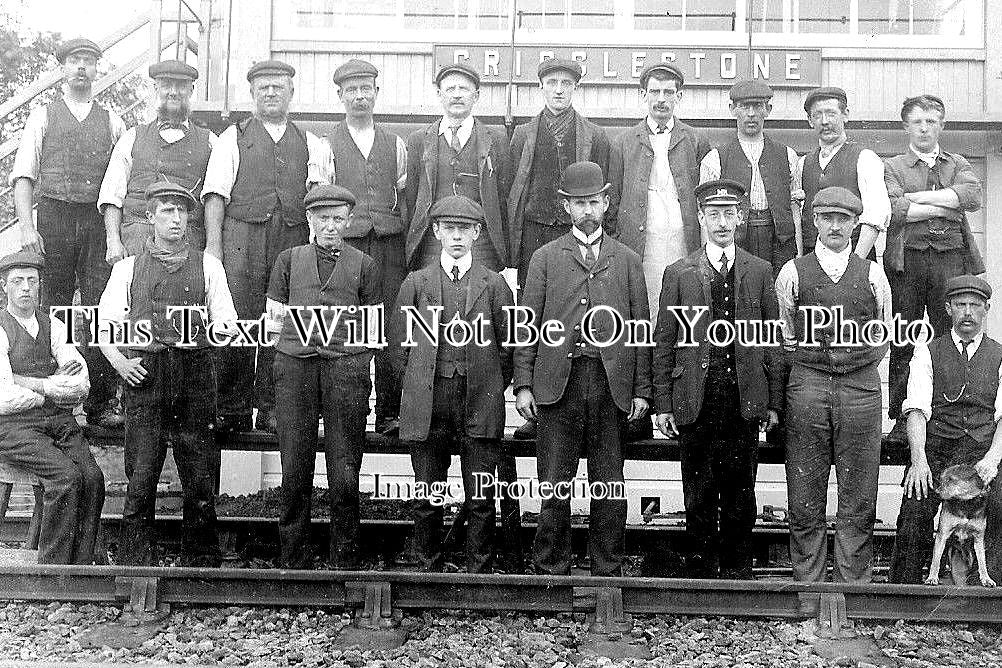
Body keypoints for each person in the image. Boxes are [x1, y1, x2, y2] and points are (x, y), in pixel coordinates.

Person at [513, 161, 651, 577]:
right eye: (579, 204)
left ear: (607, 203)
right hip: (559, 384)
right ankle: (550, 563)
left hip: (611, 384)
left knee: (609, 480)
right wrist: (523, 385)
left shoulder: (626, 260)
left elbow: (640, 327)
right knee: (555, 479)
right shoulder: (545, 258)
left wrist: (642, 389)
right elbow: (527, 324)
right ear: (567, 207)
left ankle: (607, 564)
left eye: (594, 202)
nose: (588, 211)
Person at [98, 181, 237, 567]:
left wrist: (203, 336)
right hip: (147, 376)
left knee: (199, 476)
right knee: (141, 476)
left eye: (181, 212)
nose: (176, 220)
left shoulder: (209, 266)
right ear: (150, 218)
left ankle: (200, 565)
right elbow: (104, 325)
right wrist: (122, 363)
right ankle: (135, 563)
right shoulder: (127, 269)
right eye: (167, 212)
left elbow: (227, 322)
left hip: (193, 376)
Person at [653, 179, 782, 579]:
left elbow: (772, 340)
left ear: (741, 218)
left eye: (729, 214)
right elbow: (664, 341)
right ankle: (705, 571)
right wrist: (662, 404)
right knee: (700, 489)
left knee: (741, 489)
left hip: (744, 396)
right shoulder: (679, 273)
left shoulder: (759, 271)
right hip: (695, 396)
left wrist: (774, 402)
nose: (722, 223)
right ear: (701, 219)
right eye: (714, 215)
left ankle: (738, 572)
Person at [202, 59, 332, 433]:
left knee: (280, 322)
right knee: (237, 321)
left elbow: (317, 197)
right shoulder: (233, 137)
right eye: (263, 87)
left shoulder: (310, 142)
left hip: (289, 239)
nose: (271, 93)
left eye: (278, 86)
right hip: (242, 238)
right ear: (253, 94)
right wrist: (214, 247)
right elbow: (215, 195)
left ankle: (272, 408)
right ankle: (232, 409)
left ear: (291, 92)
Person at [775, 186, 893, 585]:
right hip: (808, 385)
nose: (836, 226)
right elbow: (785, 335)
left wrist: (855, 366)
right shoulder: (793, 272)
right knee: (805, 493)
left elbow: (884, 335)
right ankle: (807, 586)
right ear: (815, 222)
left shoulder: (873, 274)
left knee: (859, 494)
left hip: (860, 388)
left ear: (855, 223)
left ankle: (851, 587)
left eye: (844, 219)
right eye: (828, 218)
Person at [392, 195, 514, 573]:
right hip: (430, 402)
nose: (457, 236)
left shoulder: (494, 286)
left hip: (479, 400)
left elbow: (508, 346)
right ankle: (427, 563)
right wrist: (417, 386)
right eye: (450, 228)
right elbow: (398, 349)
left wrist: (491, 383)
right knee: (428, 491)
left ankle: (478, 568)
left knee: (481, 494)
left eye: (465, 229)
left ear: (477, 233)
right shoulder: (416, 283)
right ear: (437, 232)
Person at [8, 37, 126, 429]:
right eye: (74, 61)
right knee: (53, 307)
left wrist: (113, 234)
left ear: (97, 70)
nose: (81, 68)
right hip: (54, 218)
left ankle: (101, 401)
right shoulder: (43, 115)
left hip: (94, 220)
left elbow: (117, 184)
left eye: (88, 62)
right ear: (63, 68)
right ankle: (53, 398)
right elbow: (24, 175)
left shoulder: (112, 121)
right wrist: (27, 225)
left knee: (98, 308)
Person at [265, 184, 380, 569]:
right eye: (322, 219)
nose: (330, 226)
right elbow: (273, 326)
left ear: (348, 221)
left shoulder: (364, 265)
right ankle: (294, 558)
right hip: (294, 369)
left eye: (337, 219)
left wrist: (353, 360)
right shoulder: (288, 260)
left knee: (344, 469)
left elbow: (373, 328)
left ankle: (344, 557)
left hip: (345, 369)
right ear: (310, 220)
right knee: (294, 465)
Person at [507, 57, 610, 441]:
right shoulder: (522, 135)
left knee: (584, 309)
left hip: (580, 230)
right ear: (542, 87)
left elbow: (601, 194)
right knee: (535, 315)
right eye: (552, 82)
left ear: (575, 88)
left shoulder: (594, 136)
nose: (559, 90)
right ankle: (535, 407)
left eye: (566, 83)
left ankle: (582, 402)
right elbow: (511, 192)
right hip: (536, 232)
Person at [883, 95, 984, 445]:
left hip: (950, 260)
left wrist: (920, 199)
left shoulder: (957, 162)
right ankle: (899, 417)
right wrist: (946, 203)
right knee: (904, 336)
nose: (924, 128)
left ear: (942, 125)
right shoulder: (893, 166)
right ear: (906, 126)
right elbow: (896, 210)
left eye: (931, 121)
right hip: (907, 262)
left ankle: (946, 414)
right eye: (917, 121)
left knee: (948, 337)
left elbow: (971, 198)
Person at [889, 275, 1002, 585]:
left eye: (974, 305)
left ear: (986, 309)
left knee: (1001, 506)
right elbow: (916, 409)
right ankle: (904, 594)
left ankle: (989, 595)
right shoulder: (928, 351)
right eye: (960, 305)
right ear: (949, 309)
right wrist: (919, 461)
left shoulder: (999, 354)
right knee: (915, 508)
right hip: (938, 452)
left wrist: (992, 458)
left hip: (982, 453)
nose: (967, 312)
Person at [0, 250, 104, 564]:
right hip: (14, 428)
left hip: (59, 422)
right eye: (17, 281)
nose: (26, 288)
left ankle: (81, 565)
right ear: (4, 287)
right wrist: (52, 385)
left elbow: (81, 383)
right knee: (66, 478)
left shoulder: (54, 326)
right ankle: (55, 568)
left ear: (40, 284)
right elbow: (4, 398)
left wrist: (29, 382)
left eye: (32, 280)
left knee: (93, 478)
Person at [328, 58, 408, 436]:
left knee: (391, 328)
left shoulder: (397, 144)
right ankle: (352, 413)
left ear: (376, 93)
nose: (360, 97)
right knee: (351, 328)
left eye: (366, 89)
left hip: (390, 247)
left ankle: (390, 412)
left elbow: (406, 196)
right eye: (352, 90)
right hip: (350, 247)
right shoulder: (326, 144)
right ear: (340, 96)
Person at [608, 62, 710, 321]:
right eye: (654, 92)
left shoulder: (696, 140)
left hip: (682, 239)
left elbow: (704, 200)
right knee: (645, 304)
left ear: (679, 96)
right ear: (644, 95)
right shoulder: (623, 142)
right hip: (641, 241)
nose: (661, 99)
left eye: (668, 92)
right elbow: (613, 200)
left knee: (683, 302)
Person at [99, 59, 216, 259]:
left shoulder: (210, 141)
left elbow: (215, 199)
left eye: (181, 86)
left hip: (187, 240)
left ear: (191, 90)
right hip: (137, 237)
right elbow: (112, 195)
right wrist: (113, 241)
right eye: (166, 85)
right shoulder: (133, 137)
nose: (173, 92)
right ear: (155, 88)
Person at [405, 62, 512, 272]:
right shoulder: (419, 140)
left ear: (476, 95)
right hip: (433, 245)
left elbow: (503, 198)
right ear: (439, 93)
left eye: (463, 89)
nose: (456, 95)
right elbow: (412, 198)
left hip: (481, 245)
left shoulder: (496, 141)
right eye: (450, 89)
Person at [700, 80, 802, 276]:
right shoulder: (715, 159)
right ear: (732, 109)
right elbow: (706, 216)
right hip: (736, 242)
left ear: (768, 109)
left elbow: (795, 210)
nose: (751, 113)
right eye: (744, 106)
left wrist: (798, 256)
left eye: (757, 106)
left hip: (779, 244)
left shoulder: (788, 156)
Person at [799, 87, 890, 261]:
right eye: (817, 115)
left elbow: (875, 218)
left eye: (831, 113)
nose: (825, 121)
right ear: (810, 121)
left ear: (845, 115)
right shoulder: (803, 163)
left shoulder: (865, 159)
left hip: (855, 258)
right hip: (813, 263)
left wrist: (855, 265)